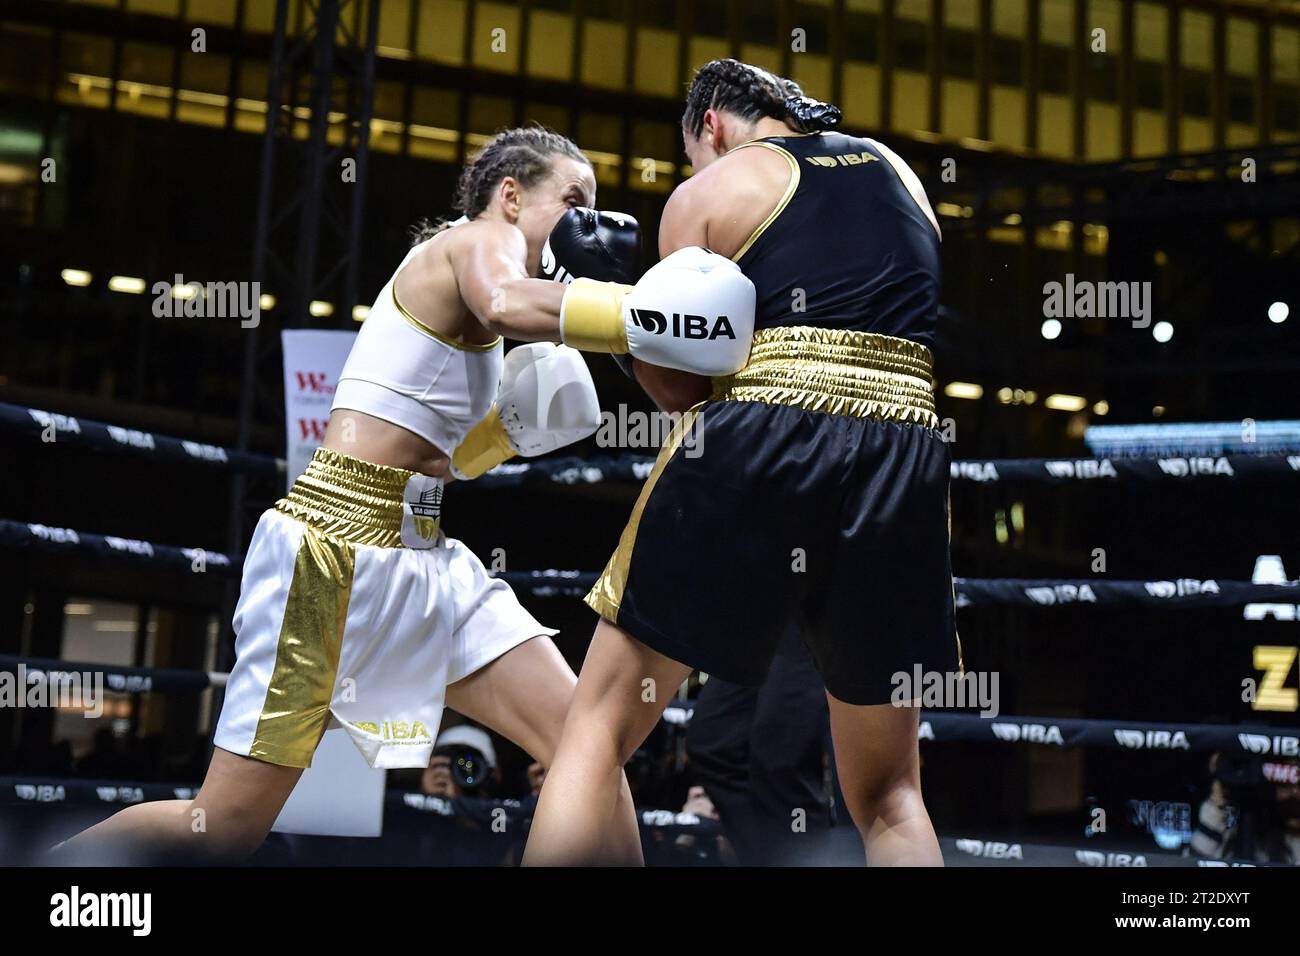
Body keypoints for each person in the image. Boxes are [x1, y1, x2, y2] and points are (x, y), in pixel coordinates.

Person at [55, 125, 755, 864]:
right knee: (226, 824)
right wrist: (638, 314)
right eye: (572, 200)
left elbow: (439, 453)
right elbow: (507, 302)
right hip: (336, 546)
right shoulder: (474, 245)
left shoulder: (478, 282)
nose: (585, 223)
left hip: (427, 551)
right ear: (511, 196)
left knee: (587, 740)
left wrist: (503, 435)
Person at [524, 60, 959, 866]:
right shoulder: (899, 171)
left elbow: (680, 393)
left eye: (693, 152)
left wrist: (621, 311)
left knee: (597, 726)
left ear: (712, 128)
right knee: (893, 794)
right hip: (907, 445)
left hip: (765, 428)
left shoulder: (709, 195)